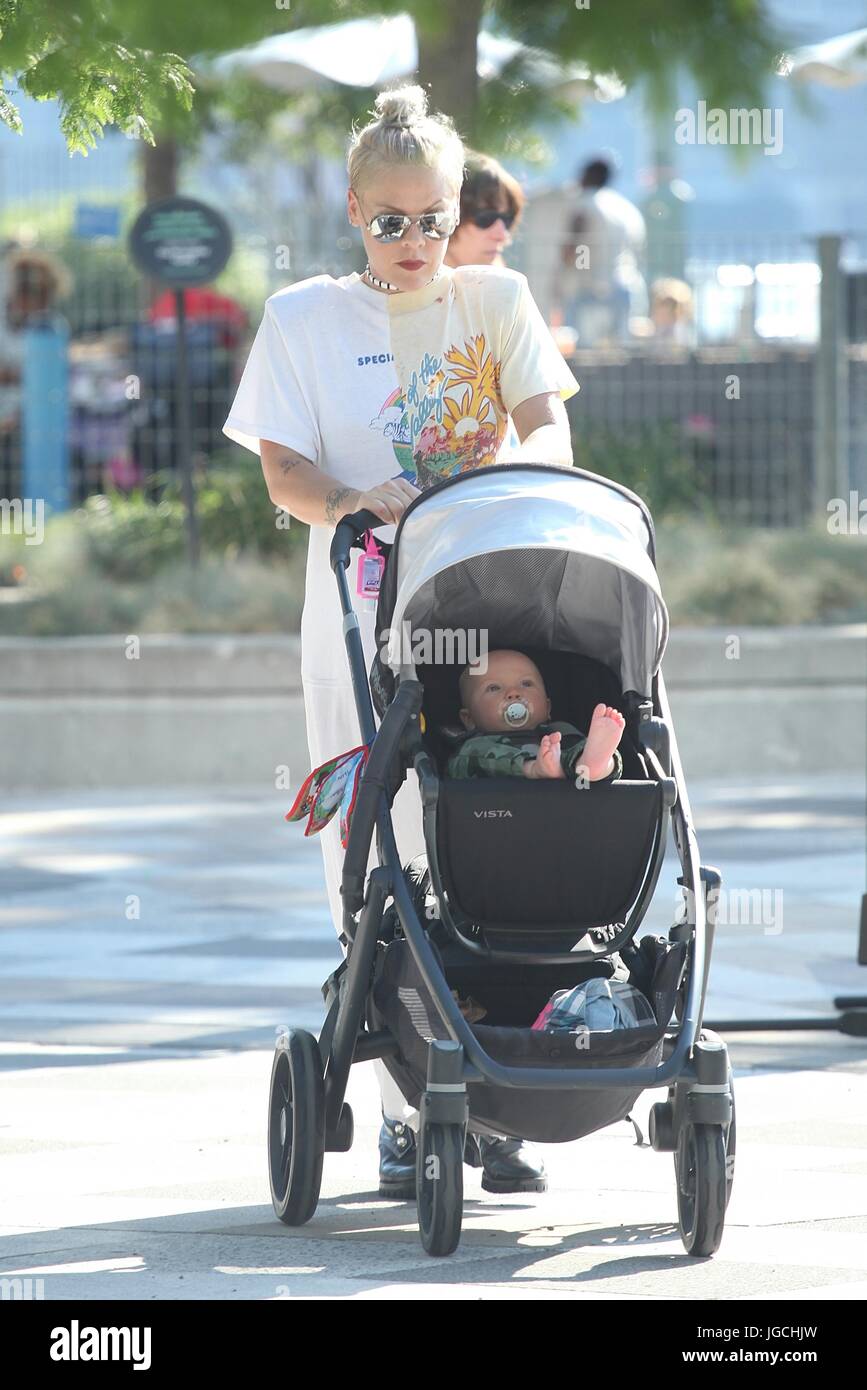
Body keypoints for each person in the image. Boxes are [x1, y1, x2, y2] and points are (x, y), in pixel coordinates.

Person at [222, 82, 579, 1201]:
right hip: (362, 612)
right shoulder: (303, 320)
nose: (417, 240)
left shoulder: (499, 298)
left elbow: (547, 422)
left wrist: (525, 479)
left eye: (435, 215)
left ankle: (503, 1084)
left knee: (503, 821)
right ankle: (400, 1101)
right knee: (375, 840)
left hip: (493, 598)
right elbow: (284, 469)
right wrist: (358, 502)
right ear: (351, 210)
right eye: (392, 220)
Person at [446, 649, 624, 784]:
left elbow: (566, 745)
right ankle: (533, 768)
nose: (514, 693)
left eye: (526, 683)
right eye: (494, 688)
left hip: (566, 780)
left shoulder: (557, 734)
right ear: (469, 719)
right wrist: (534, 767)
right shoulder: (474, 745)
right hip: (495, 798)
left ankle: (593, 765)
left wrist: (585, 755)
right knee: (470, 754)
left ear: (547, 708)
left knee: (577, 745)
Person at [554, 158, 647, 345]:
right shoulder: (626, 208)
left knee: (584, 354)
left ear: (588, 176)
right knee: (620, 353)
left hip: (589, 288)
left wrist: (565, 276)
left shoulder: (583, 205)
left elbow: (573, 248)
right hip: (625, 284)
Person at [443, 149, 524, 271]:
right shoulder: (409, 287)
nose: (502, 235)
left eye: (508, 219)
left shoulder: (502, 281)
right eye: (486, 218)